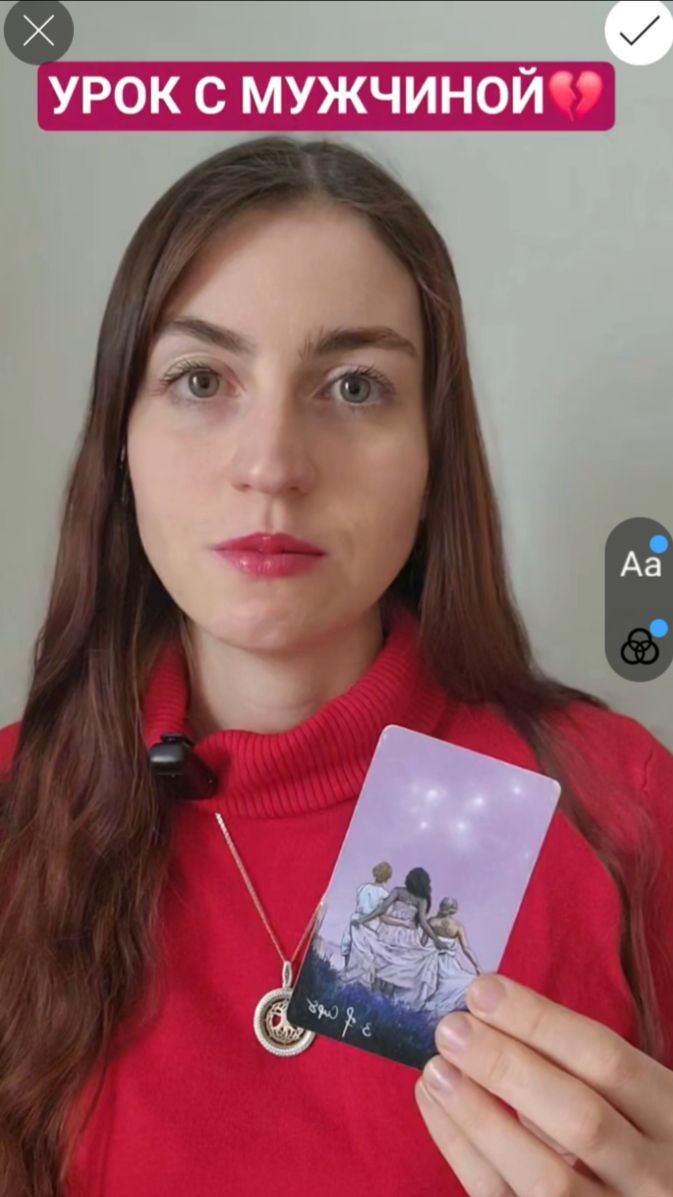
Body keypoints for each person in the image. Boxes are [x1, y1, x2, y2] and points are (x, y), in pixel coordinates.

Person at [0, 134, 672, 1197]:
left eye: (354, 385)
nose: (272, 464)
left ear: (435, 454)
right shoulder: (14, 807)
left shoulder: (620, 801)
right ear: (119, 445)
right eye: (200, 379)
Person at [344, 867, 446, 1005]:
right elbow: (422, 922)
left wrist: (363, 920)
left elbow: (382, 909)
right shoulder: (421, 899)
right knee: (394, 967)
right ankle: (381, 1000)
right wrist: (436, 940)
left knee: (383, 963)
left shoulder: (399, 891)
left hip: (391, 932)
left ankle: (376, 998)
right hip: (405, 935)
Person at [420, 897, 481, 1016]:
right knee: (463, 983)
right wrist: (476, 966)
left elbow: (423, 942)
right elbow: (466, 948)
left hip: (431, 962)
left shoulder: (431, 921)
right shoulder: (457, 926)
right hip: (449, 964)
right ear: (454, 910)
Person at [340, 860, 393, 969]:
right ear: (387, 878)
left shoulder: (363, 887)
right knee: (366, 953)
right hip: (370, 923)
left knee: (348, 945)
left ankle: (346, 969)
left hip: (356, 919)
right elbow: (384, 913)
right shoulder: (384, 895)